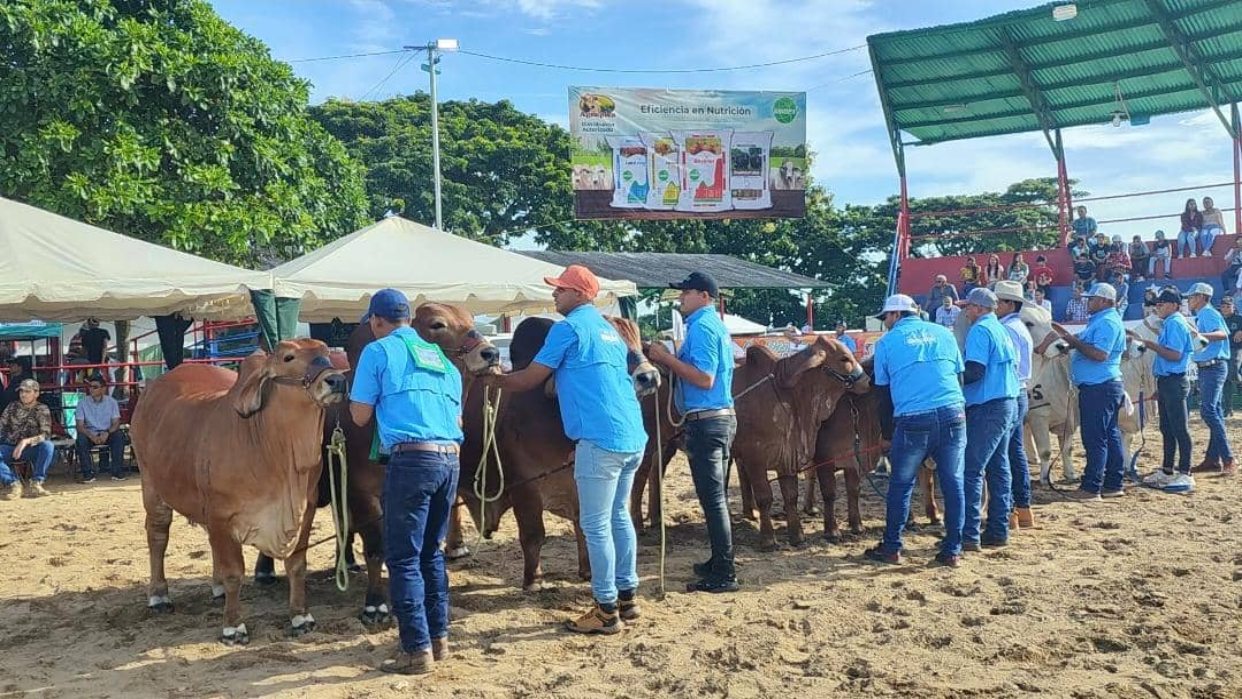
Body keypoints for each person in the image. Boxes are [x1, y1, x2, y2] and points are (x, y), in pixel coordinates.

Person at [493, 265, 647, 632]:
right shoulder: (611, 332)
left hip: (600, 438)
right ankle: (628, 599)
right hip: (632, 437)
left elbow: (531, 378)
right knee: (619, 518)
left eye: (560, 289)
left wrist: (494, 380)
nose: (554, 295)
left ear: (580, 294)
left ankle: (605, 609)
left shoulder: (569, 329)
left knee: (594, 525)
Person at [349, 288, 464, 674]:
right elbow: (459, 419)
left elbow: (361, 416)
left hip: (411, 460)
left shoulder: (377, 352)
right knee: (432, 552)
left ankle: (415, 648)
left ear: (376, 321)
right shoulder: (443, 360)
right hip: (449, 460)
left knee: (403, 557)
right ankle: (440, 637)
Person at [647, 271, 739, 594]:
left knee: (713, 500)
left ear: (703, 295)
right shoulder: (709, 326)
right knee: (715, 498)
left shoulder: (701, 327)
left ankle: (724, 572)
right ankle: (719, 561)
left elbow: (703, 378)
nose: (681, 297)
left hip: (707, 420)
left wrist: (665, 358)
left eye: (686, 292)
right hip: (716, 419)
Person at [864, 294, 966, 567]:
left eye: (885, 317)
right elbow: (958, 374)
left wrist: (886, 434)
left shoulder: (886, 343)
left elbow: (883, 392)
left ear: (896, 315)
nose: (884, 323)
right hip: (953, 412)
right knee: (953, 482)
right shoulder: (943, 333)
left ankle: (892, 547)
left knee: (901, 483)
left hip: (913, 418)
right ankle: (953, 549)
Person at [1050, 283, 1128, 499]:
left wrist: (1073, 341)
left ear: (1104, 301)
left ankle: (1091, 487)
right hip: (1104, 386)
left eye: (1091, 299)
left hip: (1099, 387)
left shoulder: (1107, 323)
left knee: (1095, 438)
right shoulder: (1103, 321)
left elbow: (1100, 354)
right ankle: (1113, 483)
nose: (1087, 302)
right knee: (1109, 435)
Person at [959, 288, 1019, 548]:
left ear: (980, 308)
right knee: (999, 467)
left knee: (971, 469)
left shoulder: (980, 331)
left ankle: (969, 534)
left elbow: (975, 371)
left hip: (987, 405)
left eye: (969, 307)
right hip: (1007, 401)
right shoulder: (1000, 329)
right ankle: (997, 529)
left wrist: (948, 378)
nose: (966, 311)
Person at [1131, 289, 1196, 492]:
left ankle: (1185, 472)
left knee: (1179, 428)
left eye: (1162, 304)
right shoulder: (1170, 323)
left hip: (1174, 380)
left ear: (1175, 305)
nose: (1158, 307)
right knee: (1167, 428)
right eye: (1157, 304)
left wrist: (1150, 344)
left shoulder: (1175, 323)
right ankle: (1167, 469)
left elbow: (1175, 355)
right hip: (1168, 381)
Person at [994, 282, 1035, 530]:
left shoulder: (1005, 329)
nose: (994, 306)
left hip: (1008, 392)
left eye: (998, 302)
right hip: (1020, 391)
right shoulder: (1018, 327)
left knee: (1002, 455)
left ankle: (1008, 511)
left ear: (1009, 304)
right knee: (1015, 452)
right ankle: (1023, 508)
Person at [1185, 283, 1234, 476]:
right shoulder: (1205, 313)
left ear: (1201, 297)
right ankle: (1213, 459)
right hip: (1211, 366)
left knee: (1208, 410)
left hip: (1213, 366)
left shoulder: (1207, 313)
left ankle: (1228, 457)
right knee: (1215, 412)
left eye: (1192, 296)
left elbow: (1223, 334)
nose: (1189, 300)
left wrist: (1199, 335)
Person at [0, 378, 55, 499]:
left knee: (48, 446)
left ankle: (37, 483)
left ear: (36, 393)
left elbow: (45, 434)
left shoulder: (42, 409)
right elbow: (1, 426)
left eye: (27, 391)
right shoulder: (12, 406)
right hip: (10, 446)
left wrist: (25, 442)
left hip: (31, 448)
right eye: (21, 391)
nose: (23, 394)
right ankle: (13, 484)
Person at [74, 374, 127, 482]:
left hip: (107, 432)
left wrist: (107, 432)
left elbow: (116, 423)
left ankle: (117, 472)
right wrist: (91, 435)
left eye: (95, 387)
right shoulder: (82, 403)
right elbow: (79, 425)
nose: (91, 389)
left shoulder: (112, 402)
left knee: (119, 436)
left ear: (103, 389)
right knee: (81, 439)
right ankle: (87, 473)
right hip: (90, 433)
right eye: (90, 387)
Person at [1223, 296, 1241, 418]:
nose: (1225, 309)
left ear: (1233, 307)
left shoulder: (1239, 319)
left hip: (1237, 349)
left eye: (1228, 306)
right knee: (1226, 379)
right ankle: (1228, 408)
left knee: (1233, 372)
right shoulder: (1218, 319)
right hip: (1223, 351)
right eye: (1223, 306)